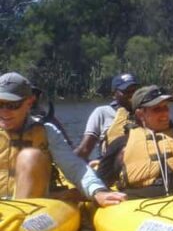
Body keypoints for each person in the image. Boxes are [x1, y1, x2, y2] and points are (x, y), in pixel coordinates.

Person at [0, 71, 125, 206]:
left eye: (12, 105)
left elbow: (75, 167)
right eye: (0, 104)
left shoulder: (47, 131)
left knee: (30, 156)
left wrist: (97, 191)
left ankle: (21, 215)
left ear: (29, 102)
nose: (4, 111)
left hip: (27, 207)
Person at [76, 73, 140, 161]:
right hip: (110, 166)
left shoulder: (147, 113)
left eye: (135, 91)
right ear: (114, 94)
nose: (132, 95)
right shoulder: (102, 113)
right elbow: (85, 149)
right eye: (126, 91)